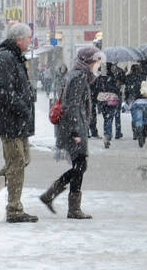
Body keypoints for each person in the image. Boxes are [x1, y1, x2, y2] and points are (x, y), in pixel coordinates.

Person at [0, 22, 39, 222]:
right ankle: (14, 209)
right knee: (16, 163)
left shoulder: (14, 57)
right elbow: (3, 91)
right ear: (19, 39)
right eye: (29, 38)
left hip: (18, 121)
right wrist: (22, 107)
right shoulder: (6, 57)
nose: (31, 41)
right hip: (10, 121)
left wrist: (28, 98)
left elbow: (15, 87)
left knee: (21, 161)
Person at [40, 46, 101, 219]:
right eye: (96, 60)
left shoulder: (78, 75)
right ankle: (70, 206)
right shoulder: (79, 77)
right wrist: (76, 132)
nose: (98, 64)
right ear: (87, 61)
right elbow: (71, 105)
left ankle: (53, 196)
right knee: (80, 165)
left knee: (80, 165)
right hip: (73, 127)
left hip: (74, 125)